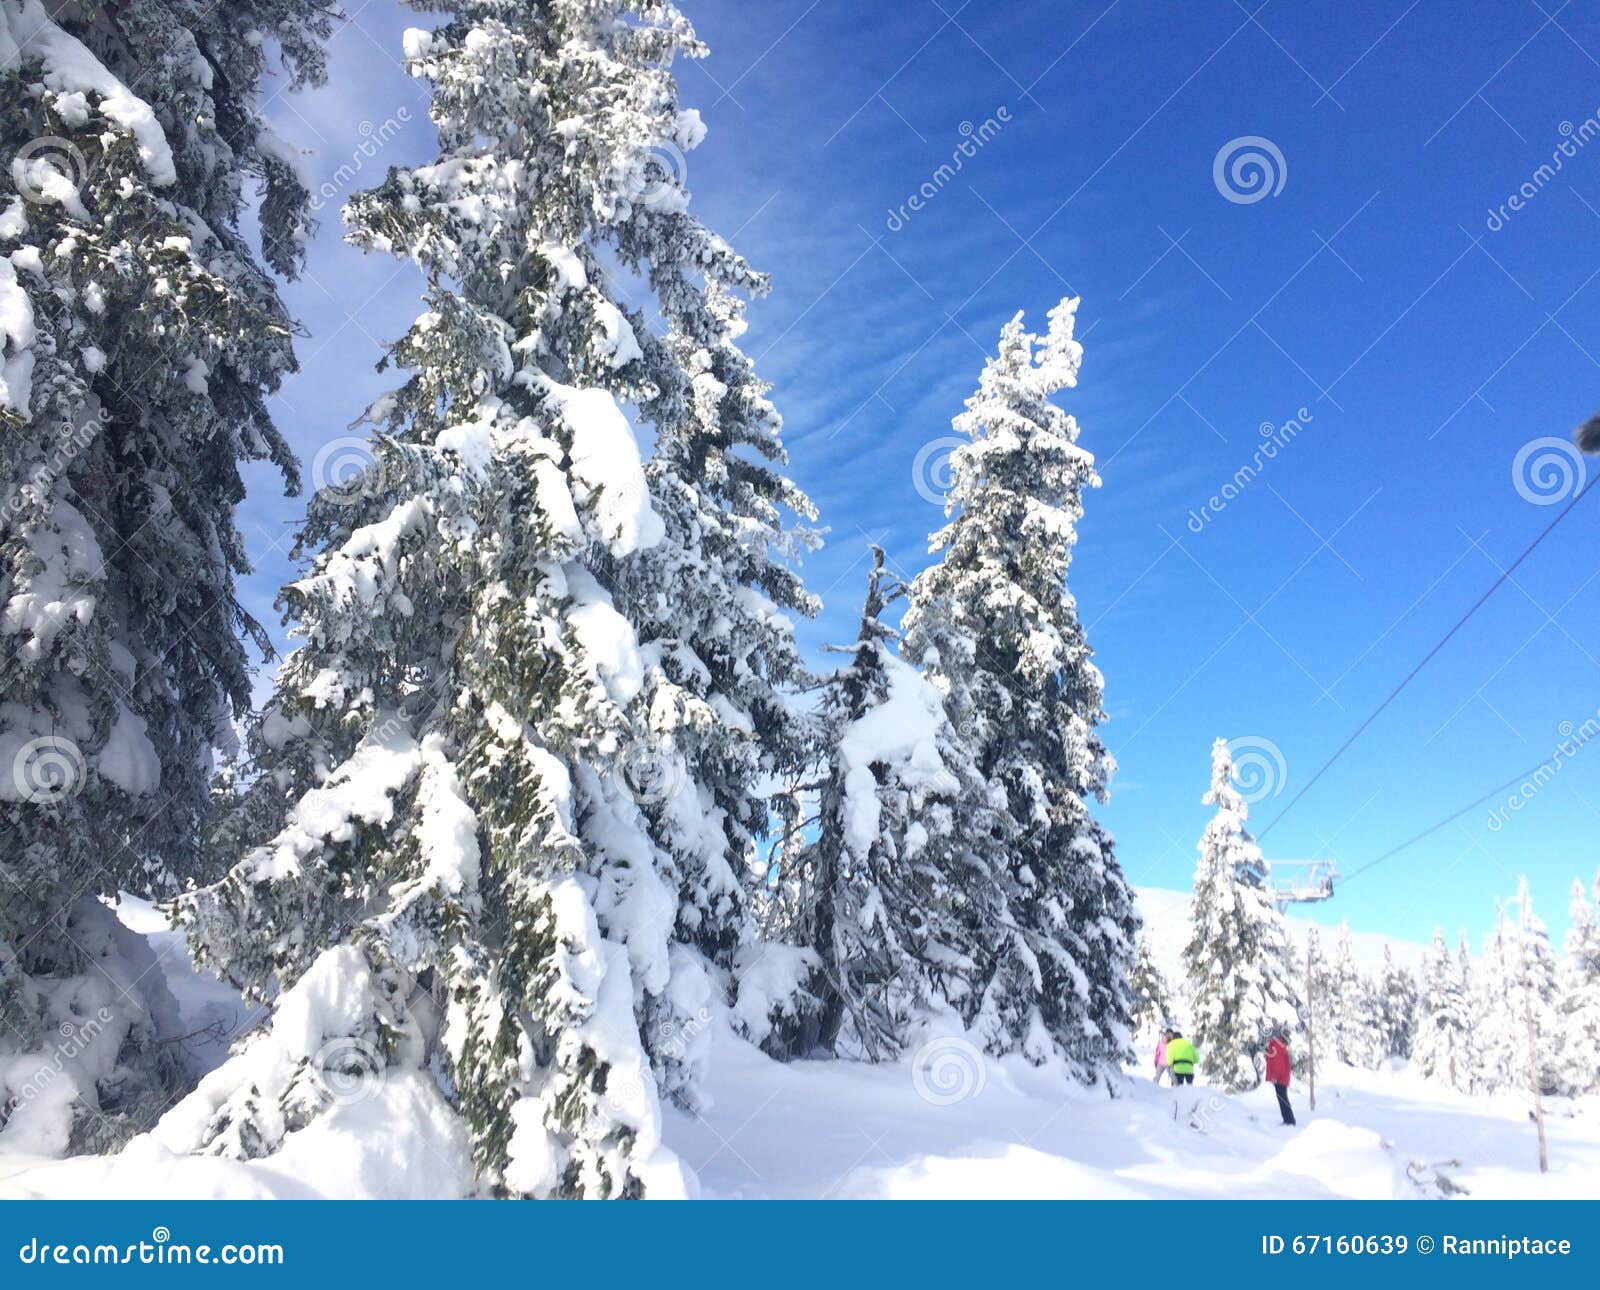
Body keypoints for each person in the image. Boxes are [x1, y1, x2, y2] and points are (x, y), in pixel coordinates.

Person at [1264, 1031, 1296, 1126]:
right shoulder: (1275, 1045)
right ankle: (1288, 1119)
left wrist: (1275, 1077)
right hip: (1281, 1077)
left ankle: (1289, 1120)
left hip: (1280, 1077)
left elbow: (1278, 1064)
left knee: (1283, 1099)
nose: (1267, 1038)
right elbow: (1272, 1060)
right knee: (1282, 1098)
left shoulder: (1276, 1045)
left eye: (1268, 1035)